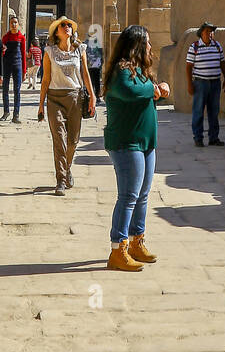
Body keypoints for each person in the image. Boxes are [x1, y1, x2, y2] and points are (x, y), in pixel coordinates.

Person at [103, 24, 170, 271]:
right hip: (126, 142)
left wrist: (158, 87)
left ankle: (136, 240)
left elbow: (144, 90)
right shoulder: (121, 72)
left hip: (145, 143)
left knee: (142, 196)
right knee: (128, 197)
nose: (151, 47)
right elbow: (130, 92)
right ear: (137, 45)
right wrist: (153, 89)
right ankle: (117, 249)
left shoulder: (141, 71)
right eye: (148, 43)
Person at [37, 16, 95, 195]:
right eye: (63, 25)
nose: (67, 27)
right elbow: (45, 79)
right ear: (57, 32)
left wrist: (92, 96)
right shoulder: (49, 52)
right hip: (55, 98)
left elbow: (85, 74)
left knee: (73, 141)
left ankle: (67, 167)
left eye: (69, 25)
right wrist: (41, 105)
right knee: (59, 140)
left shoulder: (80, 50)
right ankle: (60, 179)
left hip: (75, 97)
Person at [186, 21, 225, 148]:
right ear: (201, 33)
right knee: (198, 111)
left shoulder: (217, 46)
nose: (210, 34)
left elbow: (222, 63)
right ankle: (198, 138)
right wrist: (190, 84)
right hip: (200, 83)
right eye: (207, 31)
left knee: (214, 111)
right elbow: (188, 67)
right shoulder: (194, 47)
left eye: (211, 31)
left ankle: (214, 138)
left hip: (215, 83)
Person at [0, 15, 27, 122]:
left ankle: (16, 114)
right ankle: (6, 112)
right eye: (12, 22)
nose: (14, 24)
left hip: (17, 64)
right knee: (5, 89)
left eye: (15, 22)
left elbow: (23, 54)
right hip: (7, 64)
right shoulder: (5, 37)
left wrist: (24, 71)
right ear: (9, 24)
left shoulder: (22, 38)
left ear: (18, 24)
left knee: (17, 90)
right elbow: (2, 53)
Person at [86, 26, 104, 104]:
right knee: (94, 81)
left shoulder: (90, 42)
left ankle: (94, 96)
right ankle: (94, 96)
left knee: (93, 81)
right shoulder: (96, 43)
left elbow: (101, 53)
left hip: (92, 64)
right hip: (93, 64)